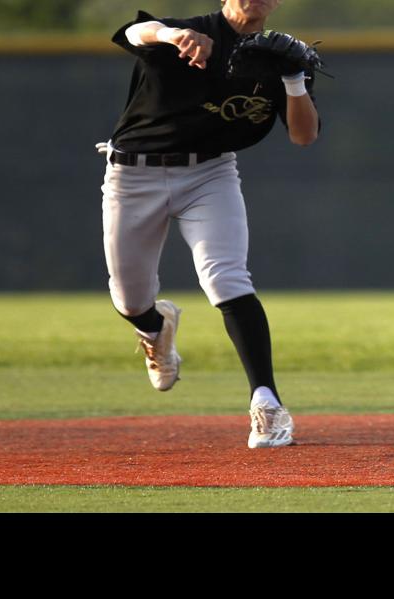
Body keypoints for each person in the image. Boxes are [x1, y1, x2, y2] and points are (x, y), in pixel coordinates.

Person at [98, 1, 321, 448]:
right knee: (129, 298)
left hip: (209, 174)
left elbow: (303, 135)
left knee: (227, 278)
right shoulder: (185, 31)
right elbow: (130, 33)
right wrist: (170, 36)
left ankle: (268, 404)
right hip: (133, 175)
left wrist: (295, 80)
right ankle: (155, 329)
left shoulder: (281, 56)